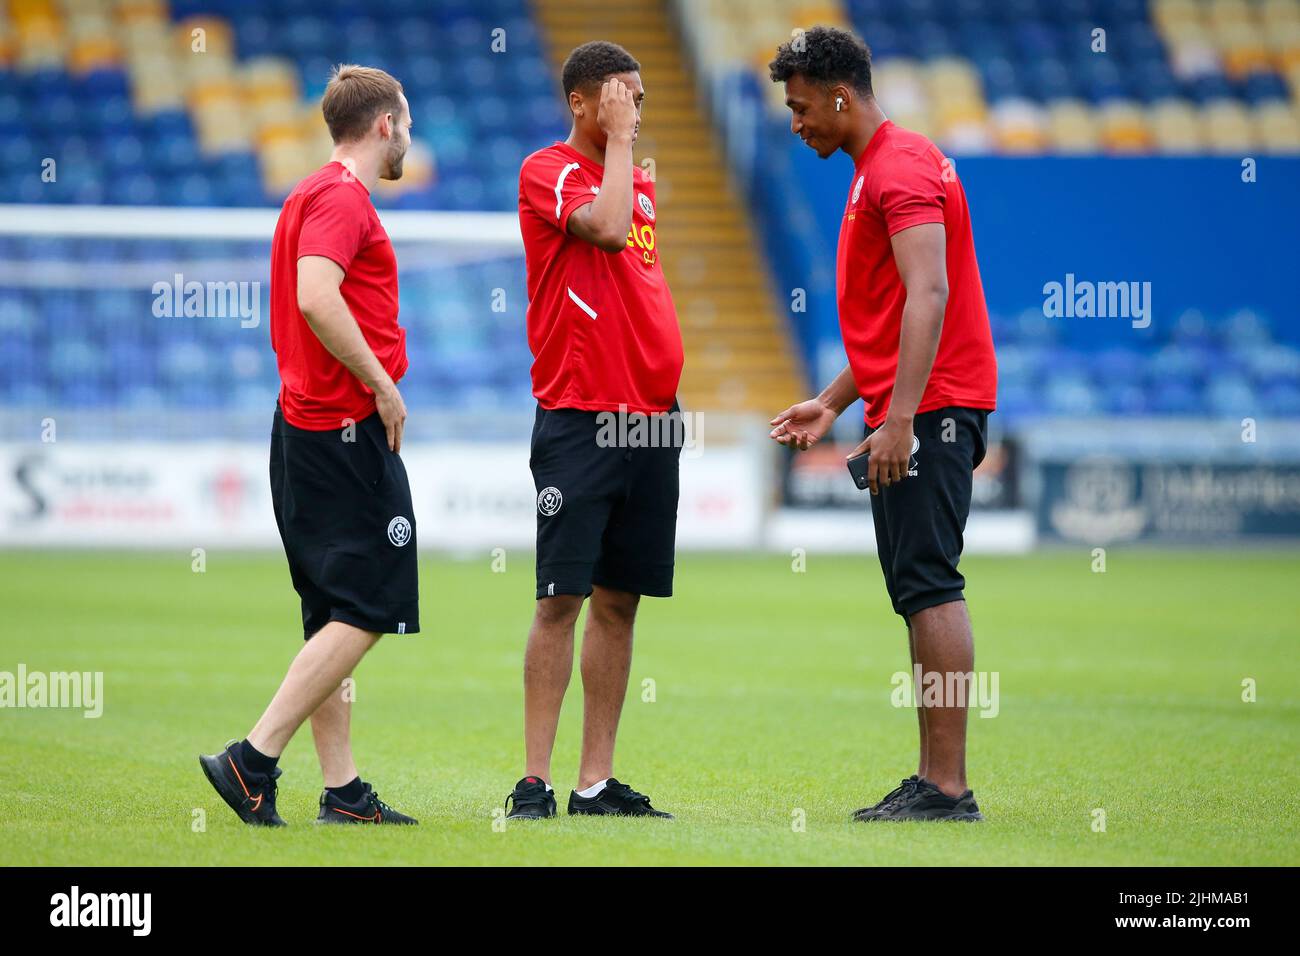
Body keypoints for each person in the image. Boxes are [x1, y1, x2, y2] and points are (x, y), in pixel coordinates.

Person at [768, 27, 998, 822]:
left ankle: (946, 787)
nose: (796, 123)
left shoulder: (897, 168)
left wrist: (899, 418)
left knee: (930, 585)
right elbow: (896, 309)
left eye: (802, 107)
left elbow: (928, 293)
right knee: (917, 587)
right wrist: (835, 402)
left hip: (929, 410)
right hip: (919, 403)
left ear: (841, 93)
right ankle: (936, 779)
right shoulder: (889, 163)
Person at [199, 64, 419, 826]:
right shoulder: (339, 197)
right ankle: (252, 758)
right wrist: (384, 387)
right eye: (408, 123)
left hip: (304, 426)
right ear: (384, 124)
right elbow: (315, 295)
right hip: (342, 429)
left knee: (331, 609)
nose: (408, 139)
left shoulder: (305, 194)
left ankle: (344, 792)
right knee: (369, 603)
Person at [505, 41, 684, 819]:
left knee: (621, 600)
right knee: (560, 599)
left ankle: (595, 782)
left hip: (651, 423)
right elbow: (607, 232)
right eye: (623, 98)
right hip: (580, 418)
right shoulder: (549, 169)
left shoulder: (634, 180)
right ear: (582, 103)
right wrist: (619, 144)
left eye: (640, 101)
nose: (635, 112)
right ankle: (535, 781)